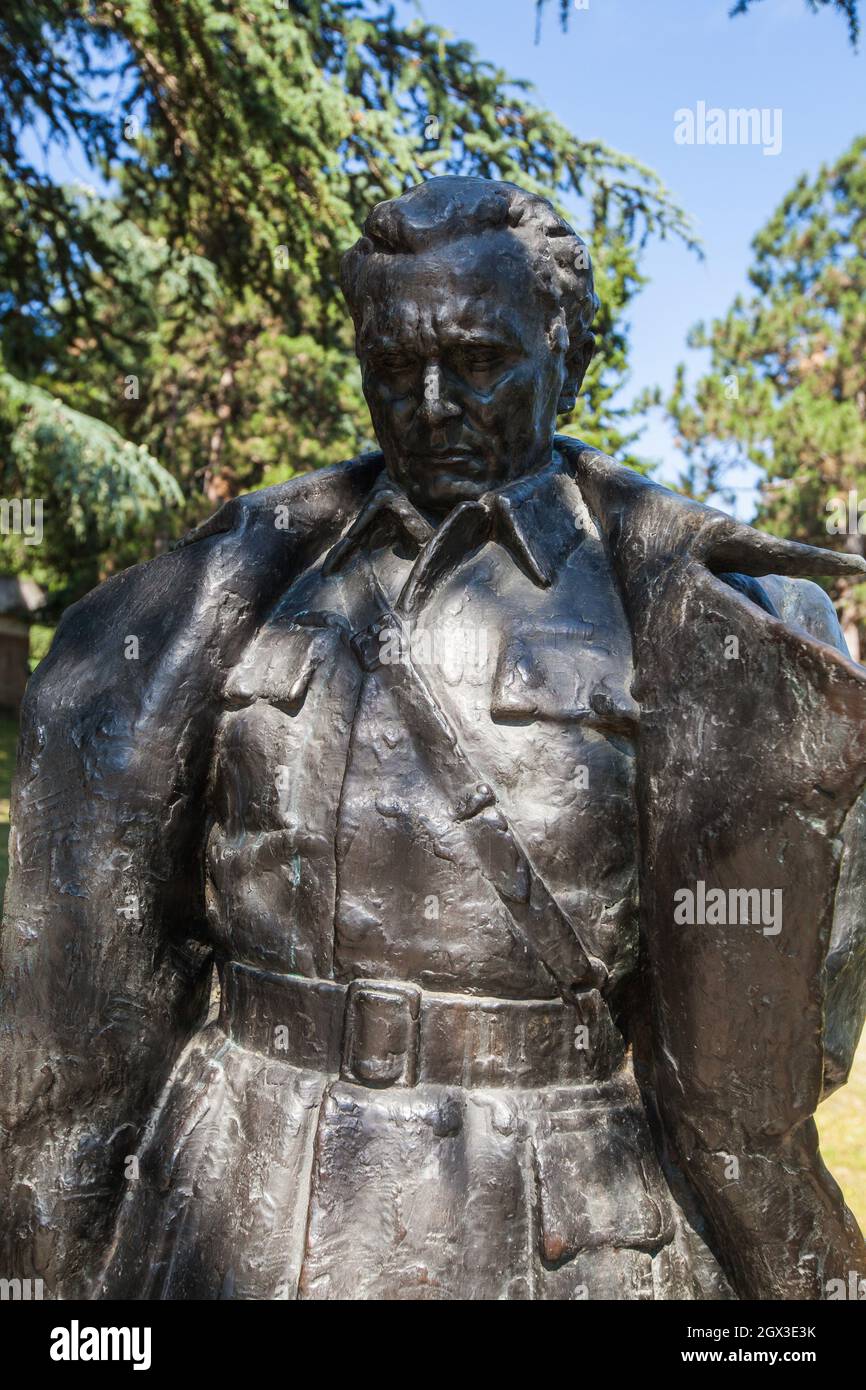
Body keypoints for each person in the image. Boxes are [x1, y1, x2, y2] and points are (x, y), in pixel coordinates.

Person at [2, 176, 865, 1300]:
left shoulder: (714, 621)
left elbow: (782, 1027)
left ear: (567, 354)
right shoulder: (219, 591)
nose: (426, 403)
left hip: (554, 1218)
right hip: (242, 1204)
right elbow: (91, 983)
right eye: (391, 365)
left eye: (476, 362)